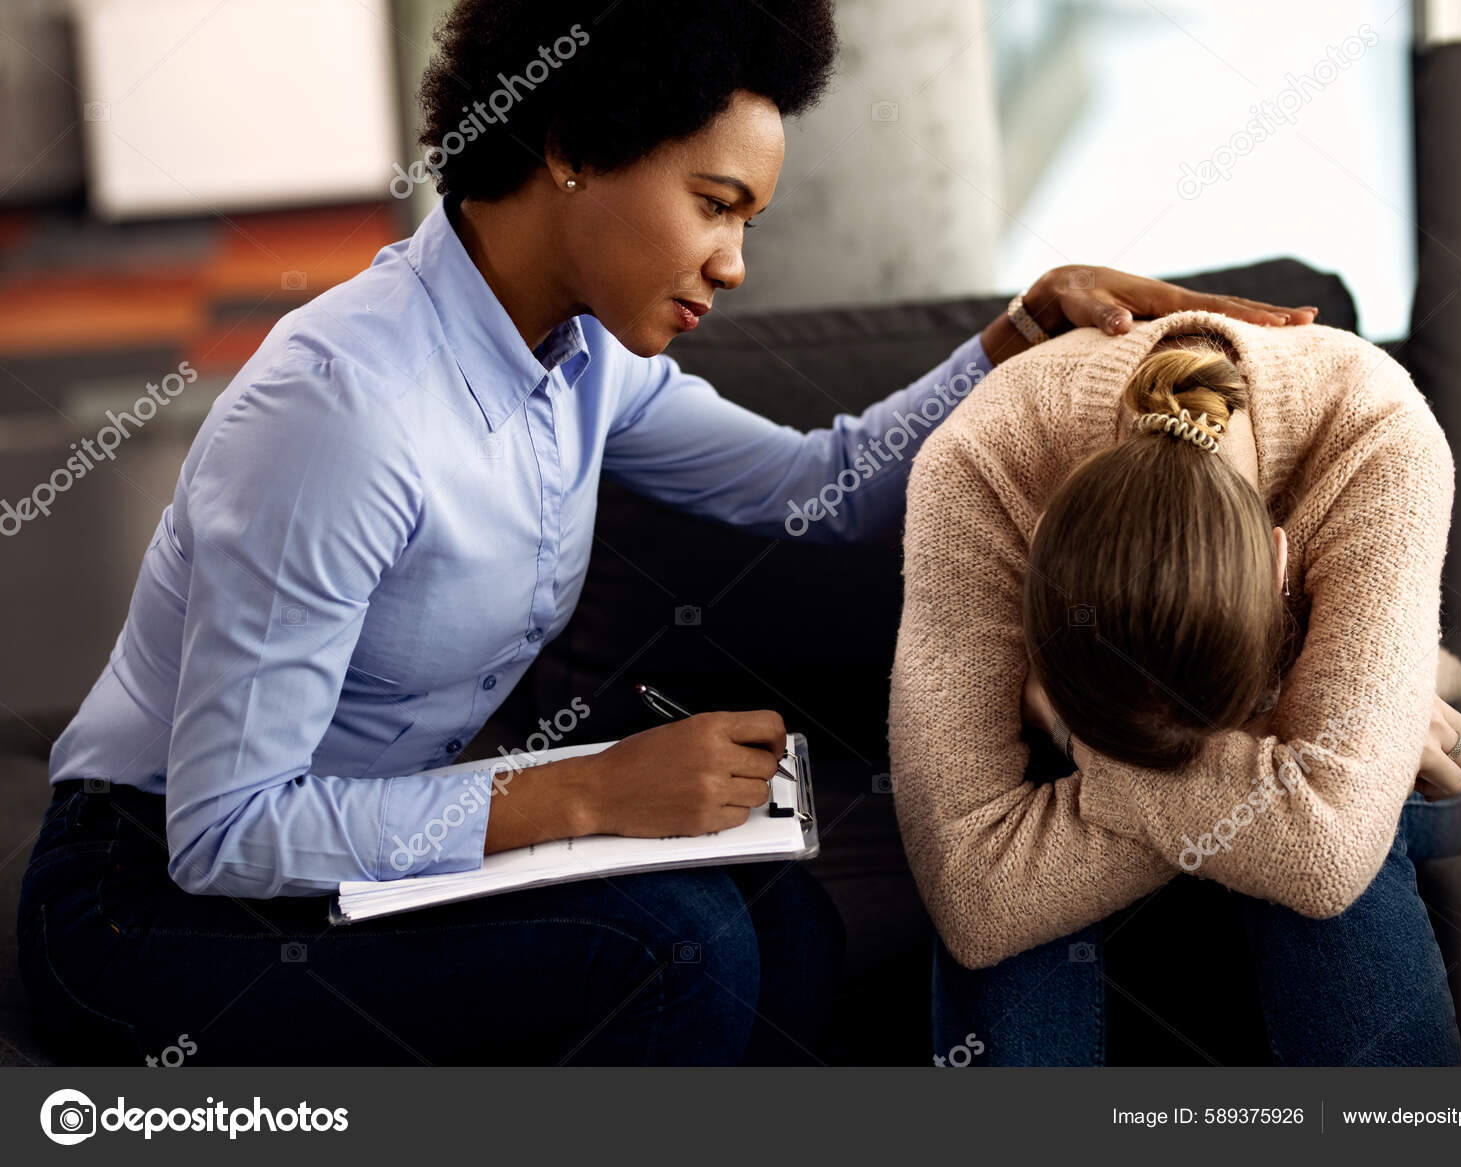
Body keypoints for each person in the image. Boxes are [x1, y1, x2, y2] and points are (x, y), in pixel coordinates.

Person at [17, 0, 1317, 1067]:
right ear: (573, 142)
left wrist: (1021, 333)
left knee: (784, 924)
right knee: (674, 944)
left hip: (327, 866)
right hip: (152, 903)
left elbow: (827, 486)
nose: (735, 259)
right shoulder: (343, 412)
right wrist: (591, 791)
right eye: (715, 202)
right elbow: (226, 827)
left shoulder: (578, 355)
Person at [889, 315, 1461, 1065]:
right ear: (1038, 549)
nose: (1173, 751)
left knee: (1347, 842)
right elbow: (973, 894)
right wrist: (1284, 760)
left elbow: (1330, 852)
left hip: (1431, 764)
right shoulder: (979, 462)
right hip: (1278, 777)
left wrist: (1069, 724)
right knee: (1295, 827)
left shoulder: (1376, 426)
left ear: (1279, 562)